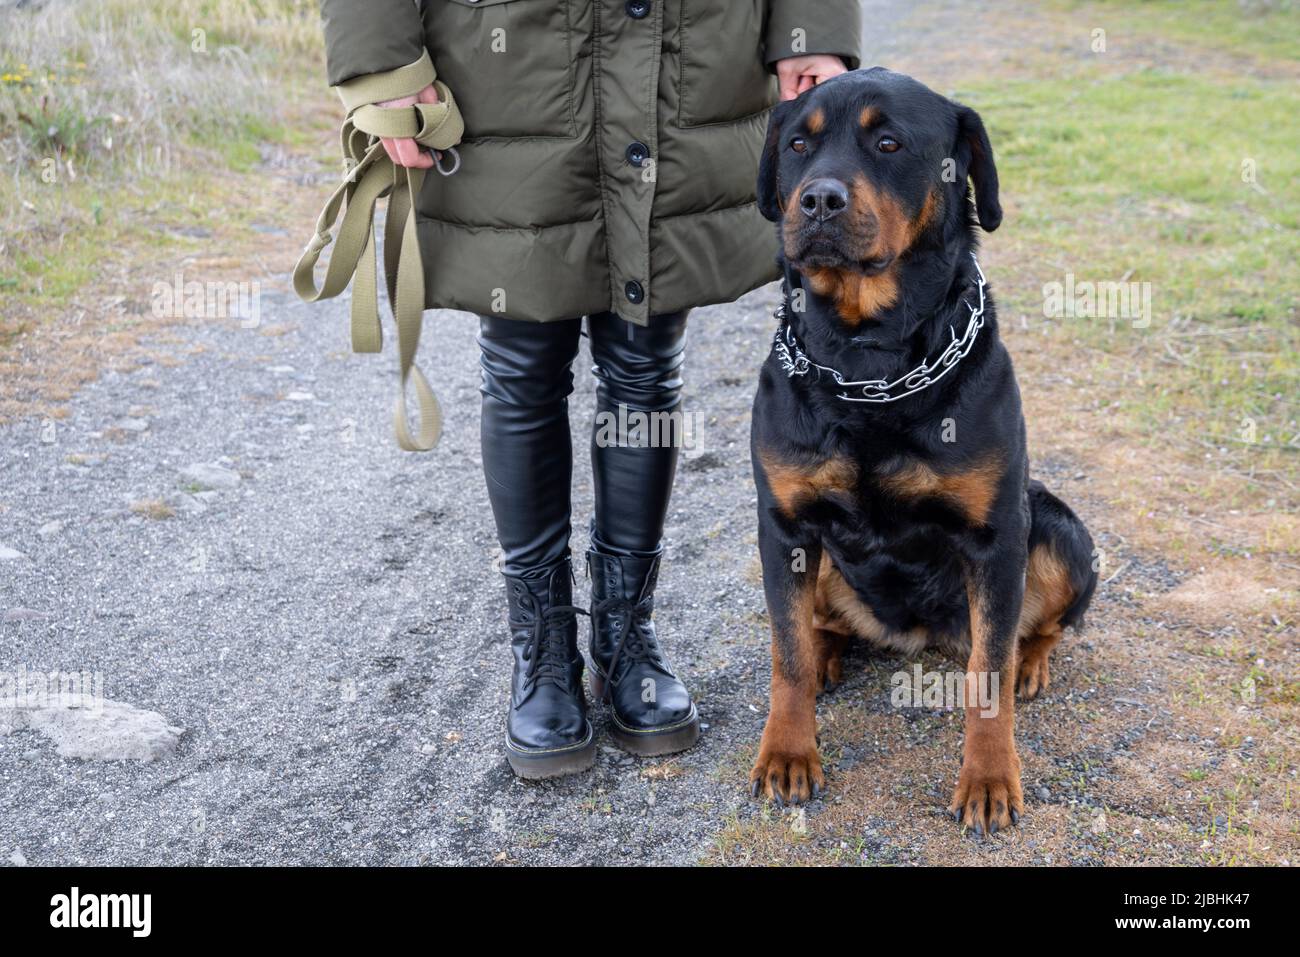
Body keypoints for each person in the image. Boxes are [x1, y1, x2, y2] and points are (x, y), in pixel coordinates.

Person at [317, 0, 862, 778]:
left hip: (690, 57)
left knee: (647, 366)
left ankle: (624, 633)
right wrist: (378, 59)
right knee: (521, 366)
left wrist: (809, 26)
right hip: (509, 66)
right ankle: (541, 649)